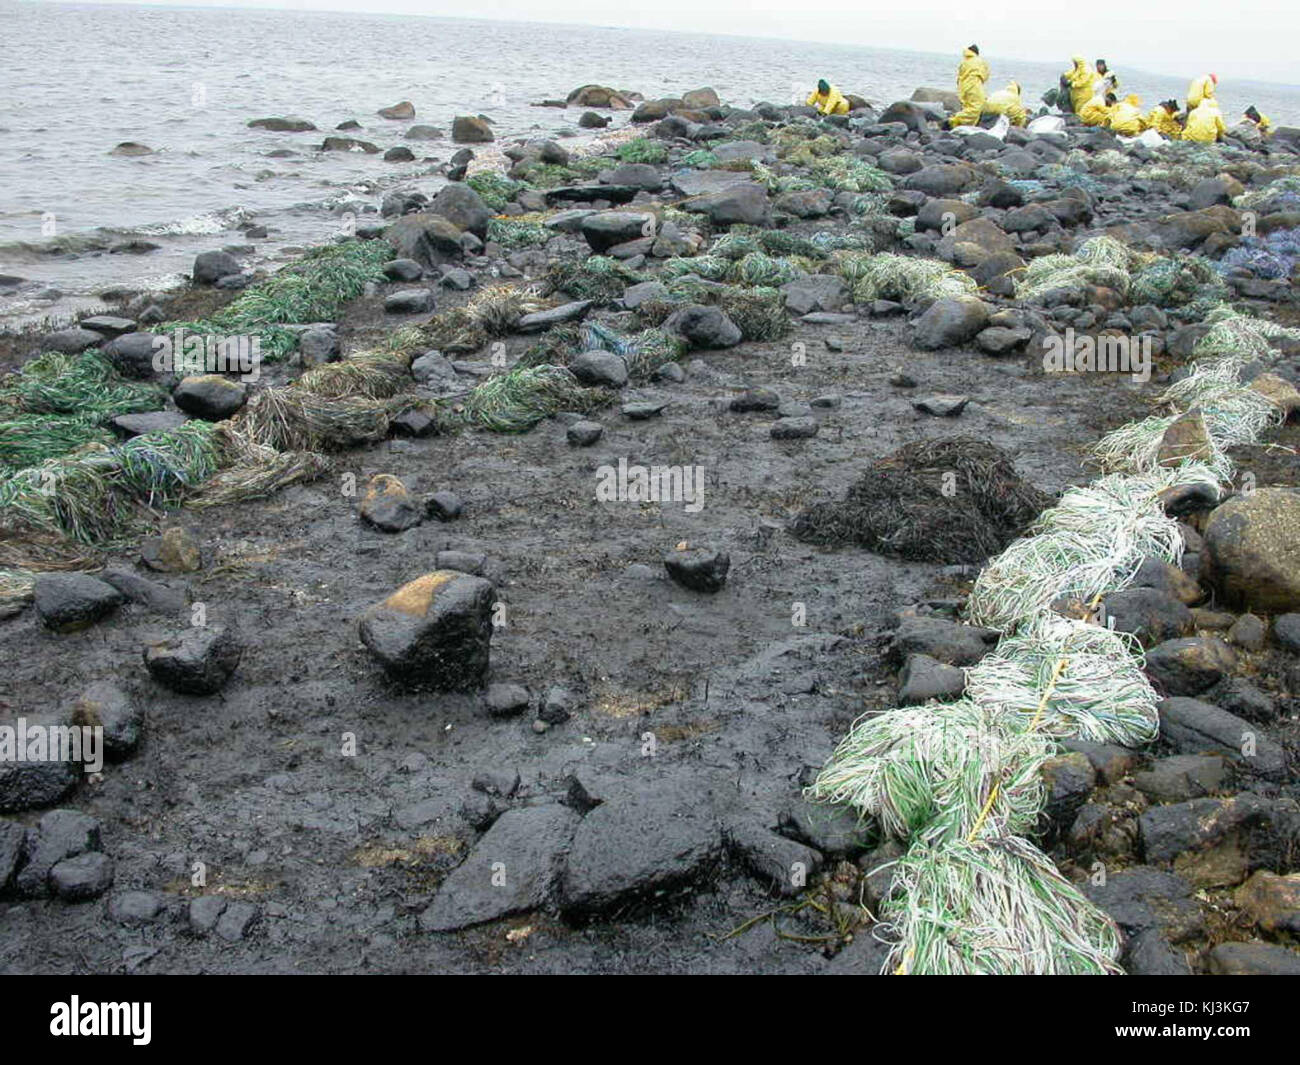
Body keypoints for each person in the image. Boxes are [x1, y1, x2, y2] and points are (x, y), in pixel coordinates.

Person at [949, 44, 990, 127]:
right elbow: (985, 75)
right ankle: (955, 120)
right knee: (977, 107)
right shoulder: (980, 61)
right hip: (974, 86)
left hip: (963, 87)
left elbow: (959, 76)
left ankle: (961, 125)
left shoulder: (964, 62)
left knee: (967, 107)